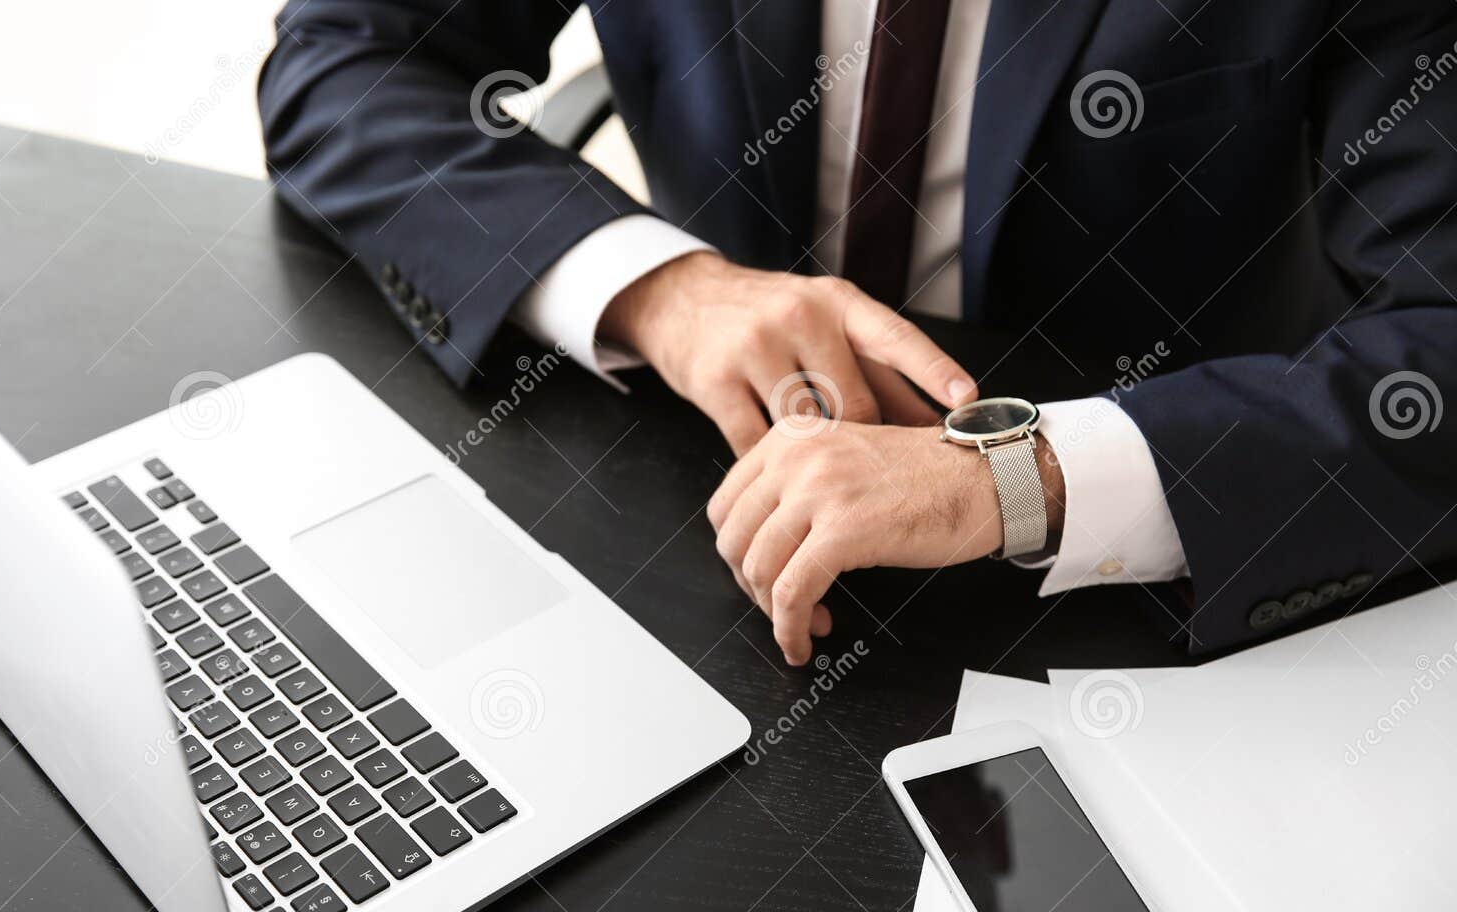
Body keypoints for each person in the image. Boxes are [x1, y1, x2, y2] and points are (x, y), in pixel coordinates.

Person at [259, 1, 1457, 663]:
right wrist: (666, 289)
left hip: (1147, 569)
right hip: (696, 484)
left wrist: (1024, 474)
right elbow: (344, 63)